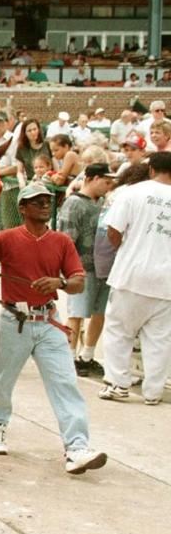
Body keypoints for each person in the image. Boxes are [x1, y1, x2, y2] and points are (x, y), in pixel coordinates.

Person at [0, 182, 107, 475]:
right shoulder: (6, 238)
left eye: (47, 200)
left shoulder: (62, 242)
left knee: (66, 384)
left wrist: (60, 283)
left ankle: (77, 448)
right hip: (14, 321)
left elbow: (78, 280)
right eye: (37, 200)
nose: (45, 204)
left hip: (48, 323)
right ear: (22, 208)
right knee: (3, 383)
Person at [98, 151, 171, 406]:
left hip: (131, 272)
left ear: (151, 169)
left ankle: (118, 383)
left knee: (120, 330)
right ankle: (153, 391)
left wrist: (124, 248)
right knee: (159, 338)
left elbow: (114, 230)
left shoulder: (133, 192)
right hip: (166, 279)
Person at [57, 163, 114, 376]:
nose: (108, 187)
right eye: (105, 182)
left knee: (99, 313)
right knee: (76, 313)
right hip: (82, 266)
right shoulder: (74, 203)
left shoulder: (102, 203)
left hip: (103, 266)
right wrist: (70, 269)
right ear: (92, 178)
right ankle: (68, 356)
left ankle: (87, 355)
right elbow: (67, 239)